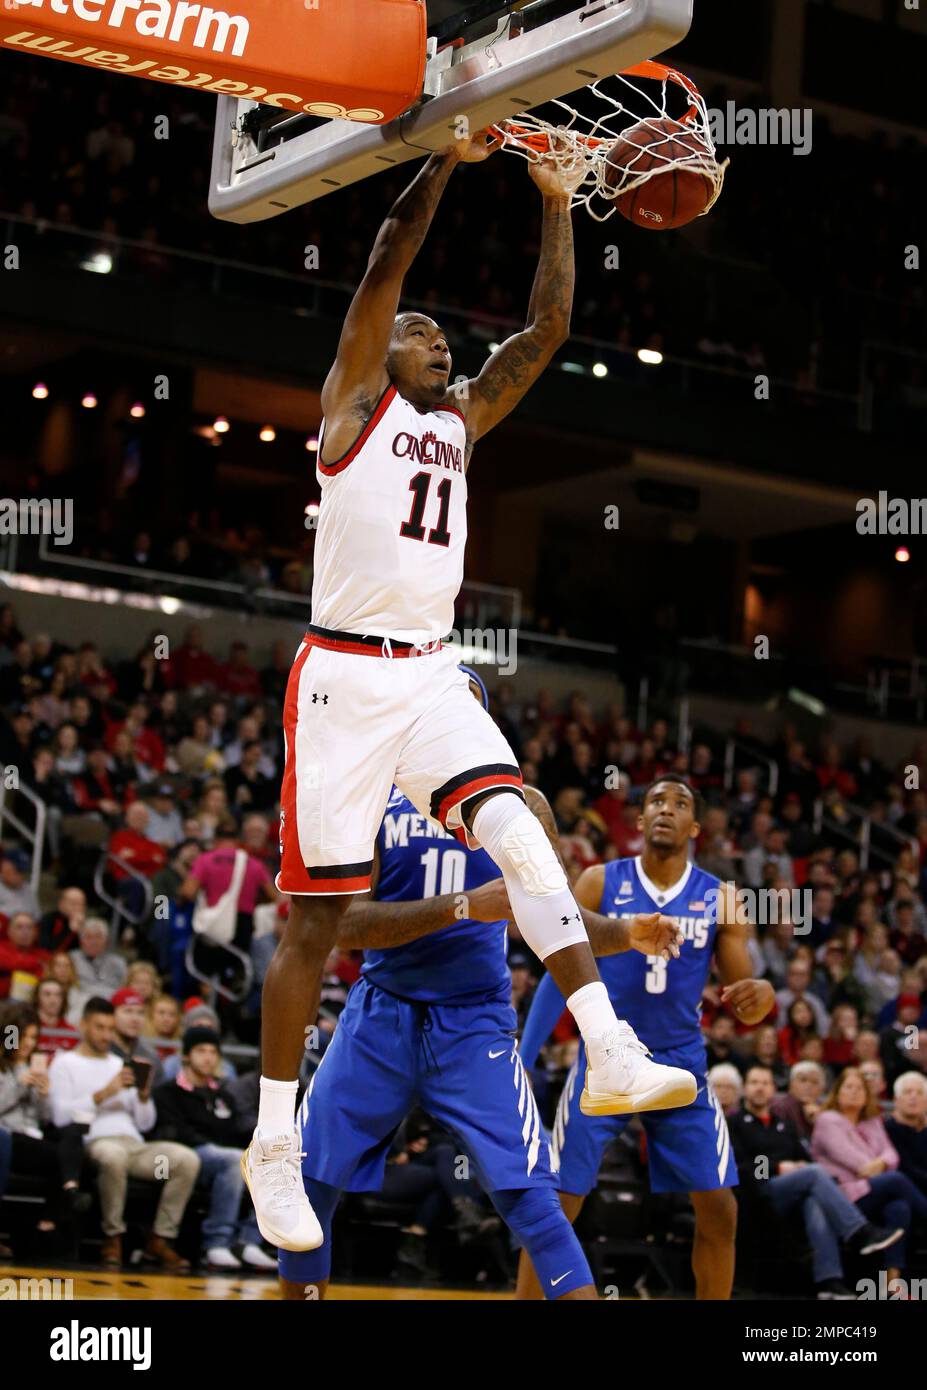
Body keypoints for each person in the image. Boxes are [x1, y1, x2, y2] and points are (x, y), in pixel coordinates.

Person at [247, 136, 696, 1252]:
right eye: (419, 330)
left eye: (444, 333)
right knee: (313, 924)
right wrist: (445, 158)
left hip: (434, 668)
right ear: (378, 352)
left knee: (523, 827)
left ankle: (607, 1049)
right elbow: (387, 257)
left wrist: (555, 202)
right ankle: (269, 1142)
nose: (435, 336)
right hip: (344, 675)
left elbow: (544, 333)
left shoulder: (456, 424)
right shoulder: (354, 408)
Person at [277, 674, 682, 1298]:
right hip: (382, 1013)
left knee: (532, 1201)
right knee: (307, 1186)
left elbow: (560, 921)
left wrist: (627, 933)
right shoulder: (374, 797)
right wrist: (464, 906)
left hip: (475, 1023)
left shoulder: (523, 804)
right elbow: (347, 928)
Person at [517, 776, 777, 1301]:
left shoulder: (720, 898)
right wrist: (524, 1052)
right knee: (559, 1198)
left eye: (680, 804)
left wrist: (763, 993)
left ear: (695, 827)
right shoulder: (597, 882)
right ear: (639, 821)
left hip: (681, 1061)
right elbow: (557, 967)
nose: (666, 809)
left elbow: (744, 994)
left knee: (720, 1207)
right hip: (607, 1055)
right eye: (656, 800)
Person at [48, 996, 200, 1270]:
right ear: (83, 1026)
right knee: (113, 1157)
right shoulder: (64, 1063)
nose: (106, 1035)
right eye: (99, 1027)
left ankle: (160, 1239)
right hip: (95, 1141)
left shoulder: (120, 1065)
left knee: (184, 1160)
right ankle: (113, 1236)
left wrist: (143, 1097)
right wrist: (104, 1093)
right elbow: (59, 1117)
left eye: (109, 1028)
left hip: (135, 1146)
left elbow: (144, 1123)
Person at [729, 1065, 900, 1299]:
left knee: (814, 1202)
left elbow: (806, 1158)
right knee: (814, 1174)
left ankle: (829, 1282)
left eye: (765, 1083)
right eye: (754, 1083)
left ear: (774, 1089)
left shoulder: (783, 1124)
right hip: (757, 1192)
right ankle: (860, 1231)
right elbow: (740, 1165)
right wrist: (776, 1167)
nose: (760, 1088)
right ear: (744, 1089)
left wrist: (798, 1167)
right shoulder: (735, 1123)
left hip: (794, 1191)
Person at [153, 1027, 275, 1271]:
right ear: (186, 1056)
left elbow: (232, 1132)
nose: (208, 1057)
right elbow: (173, 1132)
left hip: (222, 1158)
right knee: (231, 1159)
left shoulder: (223, 1096)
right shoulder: (168, 1092)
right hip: (182, 1157)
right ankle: (216, 1243)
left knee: (267, 1160)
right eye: (200, 1051)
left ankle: (249, 1240)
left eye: (213, 1052)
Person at [811, 1066, 927, 1281]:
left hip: (869, 1189)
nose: (854, 1092)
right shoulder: (827, 1120)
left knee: (899, 1206)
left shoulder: (872, 1122)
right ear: (837, 1092)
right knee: (896, 1180)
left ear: (867, 1096)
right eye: (849, 1087)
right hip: (841, 1196)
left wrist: (880, 1163)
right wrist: (878, 1164)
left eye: (860, 1089)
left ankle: (892, 1280)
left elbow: (891, 1155)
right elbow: (851, 1159)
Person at [884, 1071, 927, 1193]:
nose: (914, 1097)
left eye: (920, 1093)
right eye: (908, 1092)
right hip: (902, 1191)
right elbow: (904, 1168)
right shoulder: (886, 1128)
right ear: (896, 1099)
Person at [68, 918, 127, 1002]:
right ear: (81, 941)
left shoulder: (118, 962)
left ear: (106, 941)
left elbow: (126, 988)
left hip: (111, 1005)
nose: (93, 942)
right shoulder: (71, 959)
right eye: (88, 937)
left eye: (98, 937)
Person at [770, 1060, 827, 1142]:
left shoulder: (825, 1109)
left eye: (814, 1082)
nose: (808, 1086)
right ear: (791, 1084)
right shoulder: (780, 1107)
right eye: (803, 1080)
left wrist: (818, 1121)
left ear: (821, 1090)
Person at [0, 849, 39, 920]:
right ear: (4, 866)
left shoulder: (27, 889)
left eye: (24, 871)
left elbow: (37, 918)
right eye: (18, 870)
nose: (21, 876)